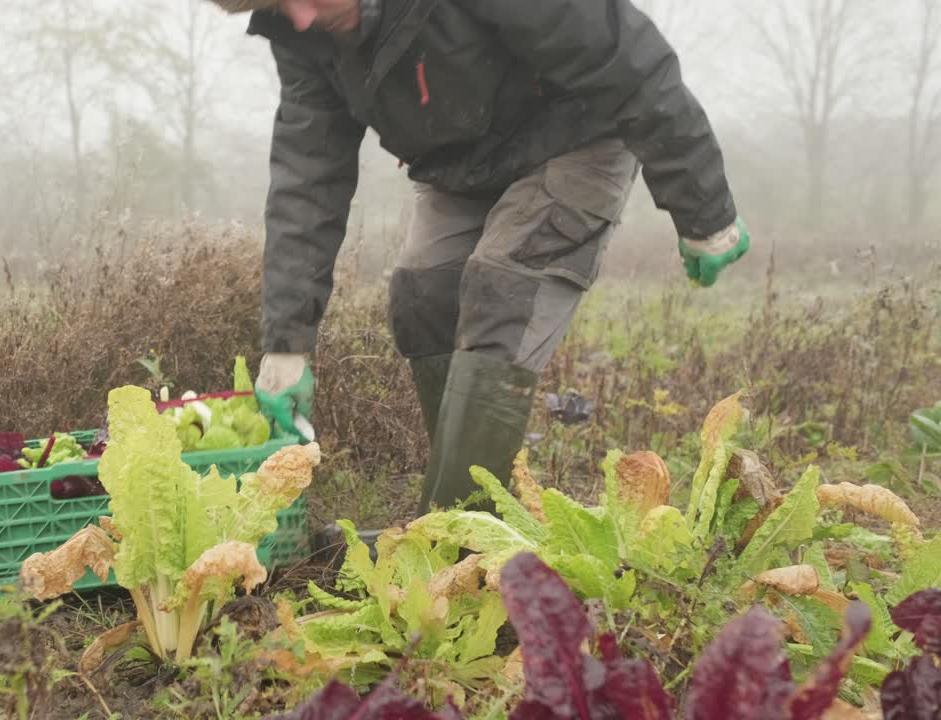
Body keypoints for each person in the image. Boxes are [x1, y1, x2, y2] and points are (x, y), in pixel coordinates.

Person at [217, 0, 749, 525]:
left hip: (575, 136)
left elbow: (626, 57)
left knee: (503, 293)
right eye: (278, 7)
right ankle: (473, 512)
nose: (301, 17)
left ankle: (447, 539)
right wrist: (286, 347)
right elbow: (307, 178)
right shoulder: (307, 34)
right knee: (421, 297)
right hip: (461, 164)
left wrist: (704, 210)